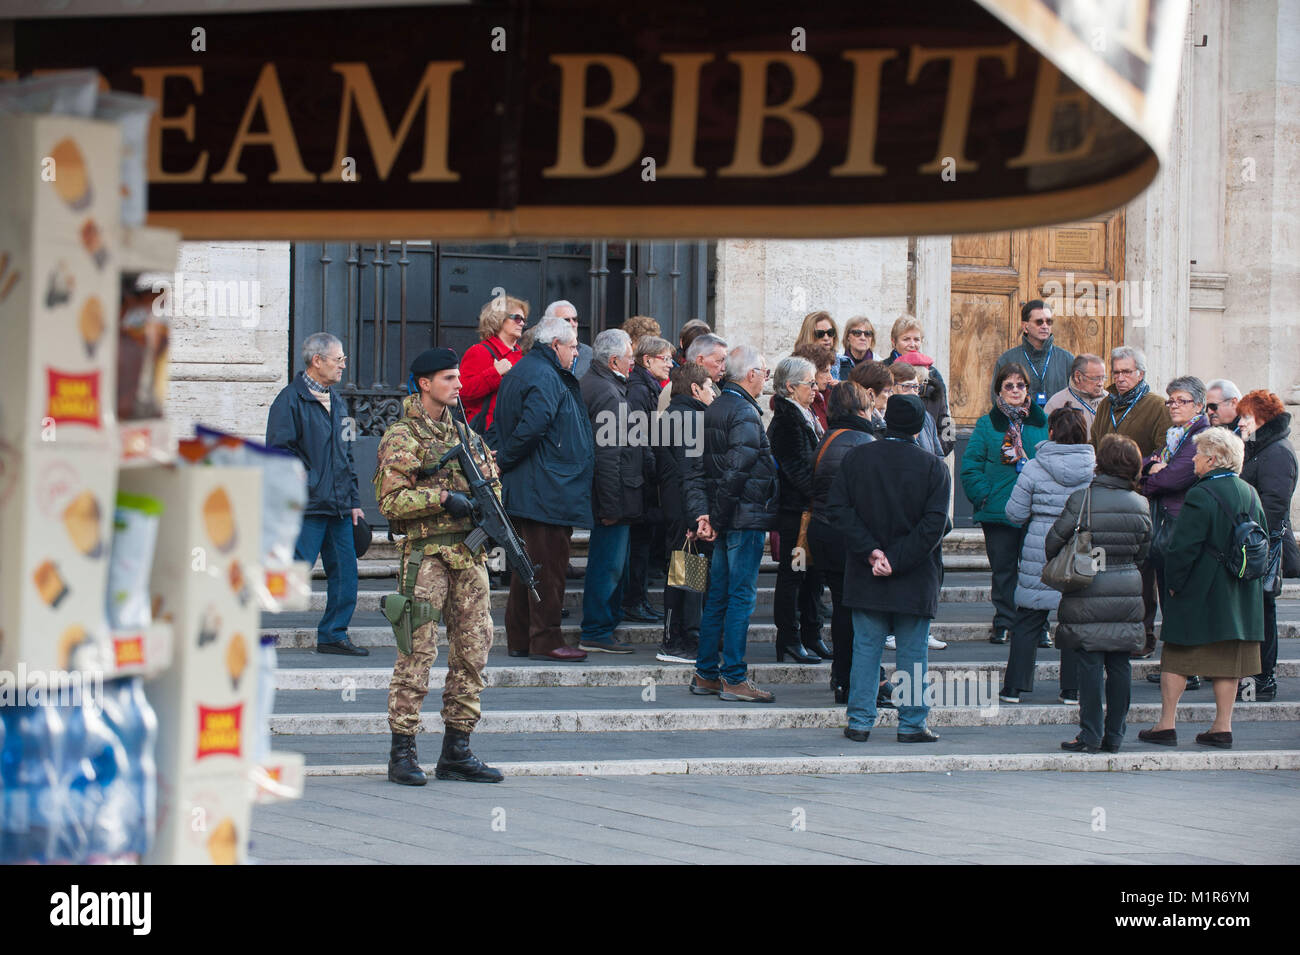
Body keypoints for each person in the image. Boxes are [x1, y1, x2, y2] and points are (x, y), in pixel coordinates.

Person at [373, 347, 502, 785]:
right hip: (426, 557)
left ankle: (457, 750)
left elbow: (493, 486)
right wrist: (443, 498)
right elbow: (390, 501)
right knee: (417, 652)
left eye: (459, 378)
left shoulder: (467, 436)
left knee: (473, 652)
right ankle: (403, 751)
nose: (459, 385)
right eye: (449, 378)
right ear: (425, 383)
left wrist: (489, 511)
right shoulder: (402, 437)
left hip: (469, 557)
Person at [830, 395, 951, 744]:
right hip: (914, 573)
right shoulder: (933, 468)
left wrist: (872, 552)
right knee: (914, 653)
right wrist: (895, 559)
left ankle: (859, 720)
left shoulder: (857, 458)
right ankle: (912, 724)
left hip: (867, 571)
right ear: (918, 427)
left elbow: (839, 509)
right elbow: (933, 526)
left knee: (866, 648)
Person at [1138, 428, 1265, 750]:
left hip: (1201, 590)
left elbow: (1182, 549)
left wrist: (1174, 586)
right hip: (1241, 591)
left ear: (1211, 459)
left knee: (1178, 656)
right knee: (1229, 661)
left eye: (1197, 454)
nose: (1193, 459)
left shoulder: (1200, 494)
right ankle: (1222, 727)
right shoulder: (1250, 491)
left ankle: (1166, 724)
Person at [492, 316, 593, 662]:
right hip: (546, 489)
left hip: (538, 487)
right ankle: (546, 639)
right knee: (547, 568)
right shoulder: (544, 374)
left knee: (529, 567)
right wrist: (503, 459)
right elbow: (534, 425)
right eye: (573, 346)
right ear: (555, 345)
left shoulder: (528, 370)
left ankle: (522, 638)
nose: (576, 353)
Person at [1045, 434, 1152, 753]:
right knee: (1120, 664)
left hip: (1088, 586)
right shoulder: (1141, 503)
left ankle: (1090, 734)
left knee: (1089, 663)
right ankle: (1115, 735)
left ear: (1100, 463)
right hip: (1128, 589)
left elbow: (1052, 543)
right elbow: (1144, 552)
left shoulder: (1083, 499)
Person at [266, 332, 366, 656]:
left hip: (337, 507)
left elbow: (345, 455)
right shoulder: (289, 400)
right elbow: (279, 454)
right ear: (317, 361)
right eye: (339, 360)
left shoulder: (337, 400)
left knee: (346, 574)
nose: (343, 366)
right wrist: (309, 484)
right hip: (307, 505)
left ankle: (333, 634)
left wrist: (353, 501)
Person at [692, 345, 779, 702]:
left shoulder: (716, 408)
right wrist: (718, 517)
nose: (766, 378)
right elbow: (736, 471)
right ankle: (733, 677)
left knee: (719, 597)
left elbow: (698, 470)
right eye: (764, 371)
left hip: (729, 517)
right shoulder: (744, 412)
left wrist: (709, 516)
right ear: (751, 374)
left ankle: (707, 673)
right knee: (739, 598)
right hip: (741, 519)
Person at [809, 370, 897, 709]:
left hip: (824, 533)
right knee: (860, 613)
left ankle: (844, 678)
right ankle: (861, 681)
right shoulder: (863, 443)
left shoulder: (828, 438)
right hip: (849, 537)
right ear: (861, 409)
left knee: (846, 610)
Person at [1000, 407, 1095, 704]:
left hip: (1040, 546)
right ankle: (1072, 689)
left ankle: (1014, 688)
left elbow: (1014, 513)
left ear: (1052, 432)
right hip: (1079, 546)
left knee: (1028, 617)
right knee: (1074, 620)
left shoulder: (1035, 467)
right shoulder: (1094, 470)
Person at [961, 363, 1049, 645]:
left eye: (1020, 385)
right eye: (1008, 386)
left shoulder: (1041, 421)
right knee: (1004, 570)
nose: (1015, 390)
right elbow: (970, 465)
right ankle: (1004, 621)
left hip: (1036, 510)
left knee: (1036, 571)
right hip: (998, 510)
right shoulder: (987, 424)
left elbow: (1051, 460)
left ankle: (1038, 624)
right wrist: (983, 495)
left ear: (1028, 390)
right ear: (999, 390)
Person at [579, 329, 644, 653]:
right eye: (630, 355)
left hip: (615, 495)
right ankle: (597, 629)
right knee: (608, 564)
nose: (634, 361)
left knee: (610, 562)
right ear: (615, 359)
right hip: (612, 498)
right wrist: (610, 506)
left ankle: (603, 624)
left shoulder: (603, 384)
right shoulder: (607, 391)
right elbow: (608, 455)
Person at [1141, 376, 1211, 676]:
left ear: (1198, 404)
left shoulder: (1200, 436)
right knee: (1171, 598)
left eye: (1181, 400)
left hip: (1181, 526)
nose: (1173, 406)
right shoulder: (1176, 435)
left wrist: (1151, 476)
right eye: (1170, 400)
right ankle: (1179, 667)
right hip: (1167, 523)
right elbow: (1148, 461)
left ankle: (1187, 669)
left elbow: (1173, 478)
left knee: (1179, 599)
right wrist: (1152, 469)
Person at [1235, 390, 1300, 701]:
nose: (1241, 423)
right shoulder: (1261, 447)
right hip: (1254, 544)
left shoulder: (1277, 452)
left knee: (1264, 613)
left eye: (1246, 417)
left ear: (1261, 418)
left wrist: (1251, 543)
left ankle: (1264, 679)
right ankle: (1255, 678)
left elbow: (1273, 506)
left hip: (1262, 548)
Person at [767, 354, 828, 664]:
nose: (815, 388)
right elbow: (796, 469)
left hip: (810, 509)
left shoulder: (805, 413)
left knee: (813, 575)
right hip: (796, 511)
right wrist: (821, 494)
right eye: (809, 383)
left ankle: (812, 634)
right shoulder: (786, 421)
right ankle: (789, 638)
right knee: (794, 575)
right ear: (790, 387)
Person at [655, 363, 717, 663]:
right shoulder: (691, 418)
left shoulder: (673, 415)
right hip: (685, 511)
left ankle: (677, 636)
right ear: (695, 389)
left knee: (681, 573)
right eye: (710, 387)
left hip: (675, 507)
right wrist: (696, 517)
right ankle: (680, 638)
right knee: (686, 576)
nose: (714, 394)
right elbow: (689, 472)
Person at [623, 335, 674, 624]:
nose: (669, 364)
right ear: (647, 360)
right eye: (664, 359)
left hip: (648, 478)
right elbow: (641, 438)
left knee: (643, 545)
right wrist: (655, 472)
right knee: (639, 546)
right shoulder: (640, 390)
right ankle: (634, 600)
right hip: (643, 481)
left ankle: (638, 598)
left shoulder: (649, 387)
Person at [883, 315, 954, 456]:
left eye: (916, 339)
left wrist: (932, 450)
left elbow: (947, 425)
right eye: (906, 339)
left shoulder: (934, 375)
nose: (912, 344)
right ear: (893, 341)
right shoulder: (883, 371)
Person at [460, 293, 527, 432]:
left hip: (516, 434)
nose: (522, 323)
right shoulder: (479, 352)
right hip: (488, 434)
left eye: (523, 319)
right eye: (517, 318)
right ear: (499, 319)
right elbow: (462, 393)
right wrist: (494, 373)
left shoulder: (523, 356)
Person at [1090, 346, 1172, 458]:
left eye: (1126, 372)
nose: (1120, 378)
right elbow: (1094, 443)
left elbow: (1163, 451)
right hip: (1103, 473)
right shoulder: (1106, 403)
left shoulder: (1159, 406)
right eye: (1116, 372)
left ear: (1141, 374)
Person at [991, 300, 1075, 408]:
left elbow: (1077, 398)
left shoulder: (1067, 359)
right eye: (1039, 322)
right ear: (1025, 326)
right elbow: (996, 398)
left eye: (1048, 322)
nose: (1045, 326)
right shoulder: (1007, 360)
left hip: (1058, 423)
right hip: (1020, 423)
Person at [658, 332, 727, 413]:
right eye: (719, 361)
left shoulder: (714, 387)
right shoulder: (676, 389)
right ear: (700, 360)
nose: (723, 368)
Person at [888, 362, 944, 457]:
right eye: (906, 387)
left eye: (916, 387)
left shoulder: (926, 417)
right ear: (890, 388)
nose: (913, 393)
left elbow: (938, 455)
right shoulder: (883, 418)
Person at [1044, 353, 1107, 423]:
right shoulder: (1056, 404)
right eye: (1095, 378)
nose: (1101, 383)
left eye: (1103, 378)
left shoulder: (1111, 401)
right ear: (1078, 377)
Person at [543, 299, 593, 379]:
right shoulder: (541, 354)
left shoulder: (591, 355)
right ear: (550, 323)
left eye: (575, 319)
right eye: (566, 320)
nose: (572, 324)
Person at [791, 343, 834, 430]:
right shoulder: (799, 403)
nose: (830, 377)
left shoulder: (828, 396)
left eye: (830, 371)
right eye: (825, 371)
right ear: (811, 371)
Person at [794, 310, 842, 380]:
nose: (826, 338)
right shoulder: (796, 366)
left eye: (830, 332)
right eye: (820, 334)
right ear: (808, 336)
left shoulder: (845, 363)